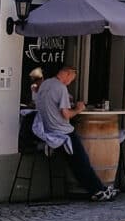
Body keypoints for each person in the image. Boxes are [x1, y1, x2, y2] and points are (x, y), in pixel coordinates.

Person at [33, 65, 112, 201]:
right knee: (82, 162)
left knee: (76, 163)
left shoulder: (45, 84)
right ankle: (98, 190)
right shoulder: (61, 88)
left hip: (48, 131)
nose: (70, 83)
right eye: (71, 79)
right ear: (67, 74)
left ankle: (97, 189)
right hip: (63, 132)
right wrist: (78, 109)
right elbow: (66, 114)